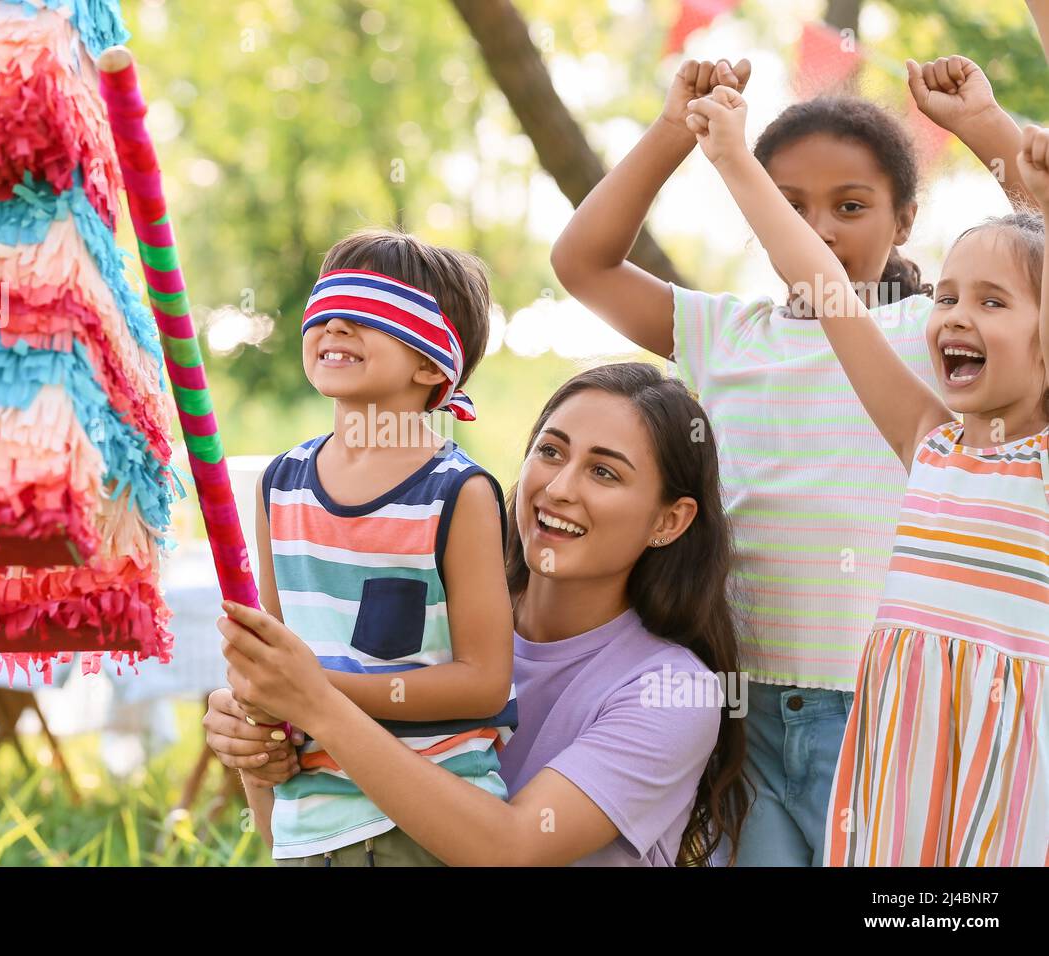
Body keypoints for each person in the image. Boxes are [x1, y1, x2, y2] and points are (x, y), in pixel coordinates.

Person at [548, 54, 1027, 865]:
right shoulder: (722, 334)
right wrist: (677, 129)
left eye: (850, 206)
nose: (820, 231)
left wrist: (983, 128)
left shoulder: (933, 332)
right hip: (749, 714)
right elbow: (582, 263)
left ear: (905, 218)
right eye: (790, 206)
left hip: (887, 713)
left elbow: (1034, 256)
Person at [687, 79, 1049, 865]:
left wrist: (993, 132)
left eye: (993, 303)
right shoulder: (930, 445)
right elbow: (826, 289)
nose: (953, 316)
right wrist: (732, 162)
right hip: (897, 776)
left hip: (1009, 785)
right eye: (948, 297)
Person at [209, 363, 749, 866]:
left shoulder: (672, 691)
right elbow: (292, 835)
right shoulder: (436, 615)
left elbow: (509, 849)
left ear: (670, 520)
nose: (558, 490)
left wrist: (318, 702)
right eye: (552, 453)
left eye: (604, 473)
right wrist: (261, 752)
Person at [242, 228, 516, 865]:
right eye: (326, 310)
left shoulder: (459, 493)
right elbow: (272, 656)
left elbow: (485, 683)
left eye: (367, 313)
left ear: (431, 362)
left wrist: (314, 693)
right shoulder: (279, 484)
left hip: (428, 824)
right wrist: (258, 705)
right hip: (308, 826)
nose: (336, 325)